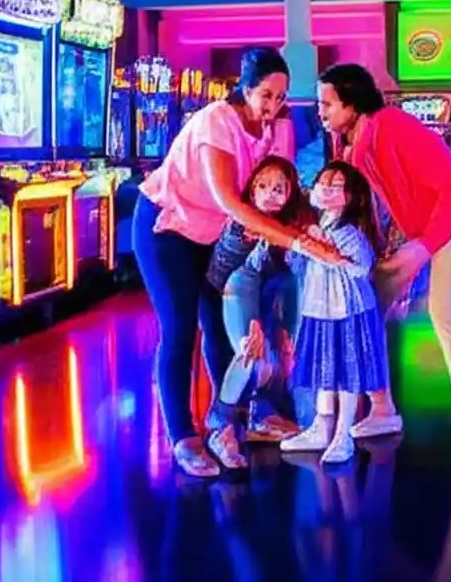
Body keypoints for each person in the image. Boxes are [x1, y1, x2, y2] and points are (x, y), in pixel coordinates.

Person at [132, 47, 343, 478]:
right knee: (180, 328)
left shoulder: (275, 127)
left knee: (227, 327)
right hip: (167, 227)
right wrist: (301, 244)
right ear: (245, 89)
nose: (273, 105)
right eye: (266, 95)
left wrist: (314, 225)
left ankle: (228, 422)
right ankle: (183, 437)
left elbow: (279, 190)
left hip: (218, 236)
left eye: (281, 97)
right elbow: (230, 199)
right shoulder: (216, 120)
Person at [318, 63, 451, 466]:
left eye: (327, 103)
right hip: (421, 227)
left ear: (352, 103)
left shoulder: (393, 126)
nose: (320, 111)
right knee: (363, 305)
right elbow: (374, 207)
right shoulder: (354, 145)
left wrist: (422, 249)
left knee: (445, 310)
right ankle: (382, 407)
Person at [279, 160, 390, 464]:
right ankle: (322, 425)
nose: (326, 190)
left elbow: (360, 267)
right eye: (322, 184)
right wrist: (302, 244)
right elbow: (297, 263)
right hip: (319, 307)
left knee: (346, 370)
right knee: (325, 368)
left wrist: (322, 246)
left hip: (348, 310)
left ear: (351, 196)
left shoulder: (350, 232)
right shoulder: (316, 225)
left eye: (335, 186)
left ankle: (343, 433)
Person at [205, 155, 312, 463]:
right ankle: (221, 424)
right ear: (252, 188)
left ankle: (262, 415)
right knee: (250, 353)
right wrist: (253, 321)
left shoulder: (293, 224)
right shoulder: (241, 223)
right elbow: (233, 277)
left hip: (270, 295)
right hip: (234, 290)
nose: (269, 194)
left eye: (279, 188)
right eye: (263, 186)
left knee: (281, 354)